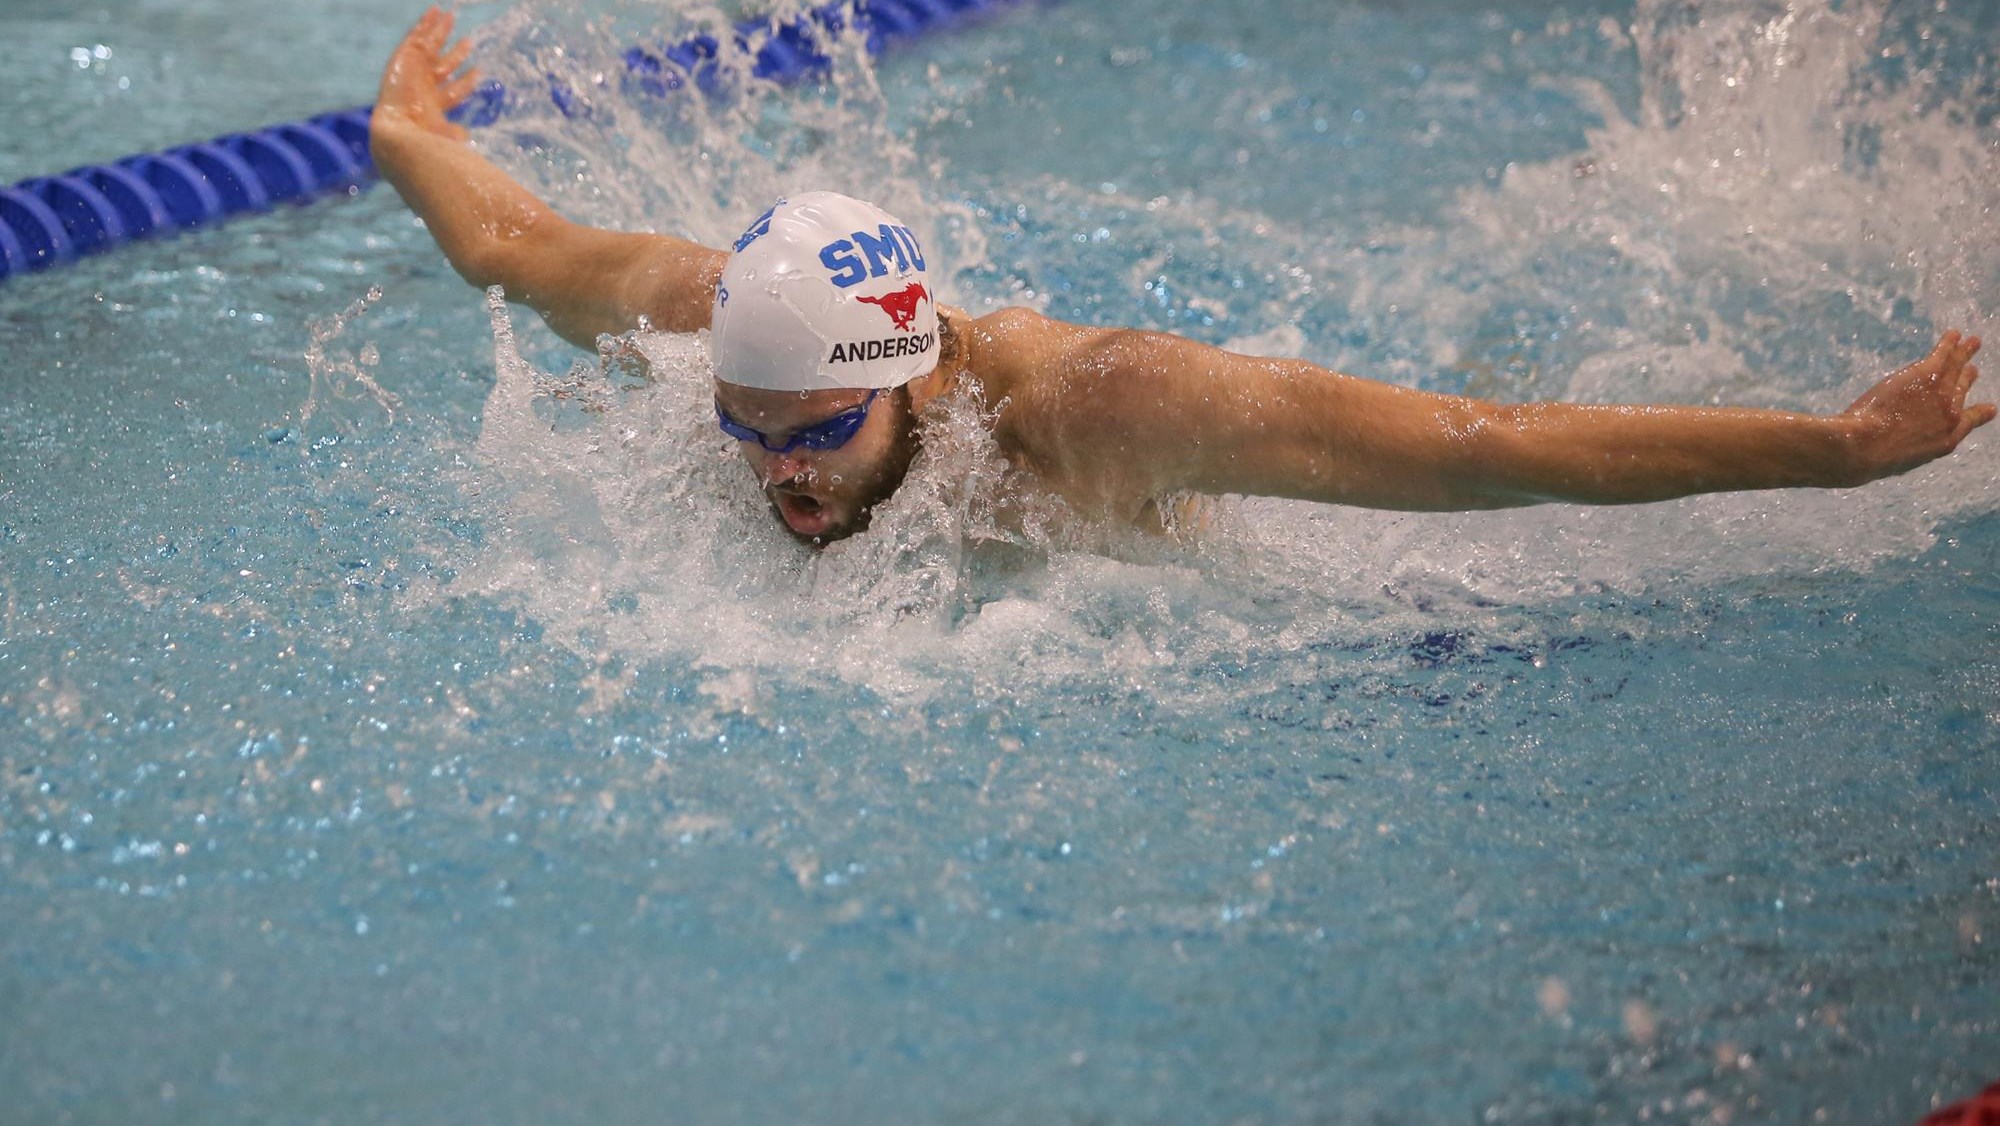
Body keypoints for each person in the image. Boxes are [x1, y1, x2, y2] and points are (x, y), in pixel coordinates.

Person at [370, 8, 1991, 545]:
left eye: (811, 440)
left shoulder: (1104, 411)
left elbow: (1485, 447)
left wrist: (1833, 448)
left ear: (911, 370)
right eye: (749, 434)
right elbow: (512, 248)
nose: (779, 481)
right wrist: (399, 134)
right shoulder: (725, 320)